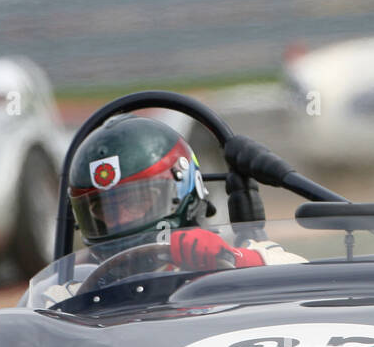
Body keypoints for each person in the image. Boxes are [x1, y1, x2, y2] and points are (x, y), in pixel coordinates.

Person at [66, 114, 303, 271]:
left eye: (134, 202)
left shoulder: (238, 257)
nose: (119, 221)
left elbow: (298, 272)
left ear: (182, 192)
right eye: (103, 209)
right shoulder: (75, 284)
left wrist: (231, 258)